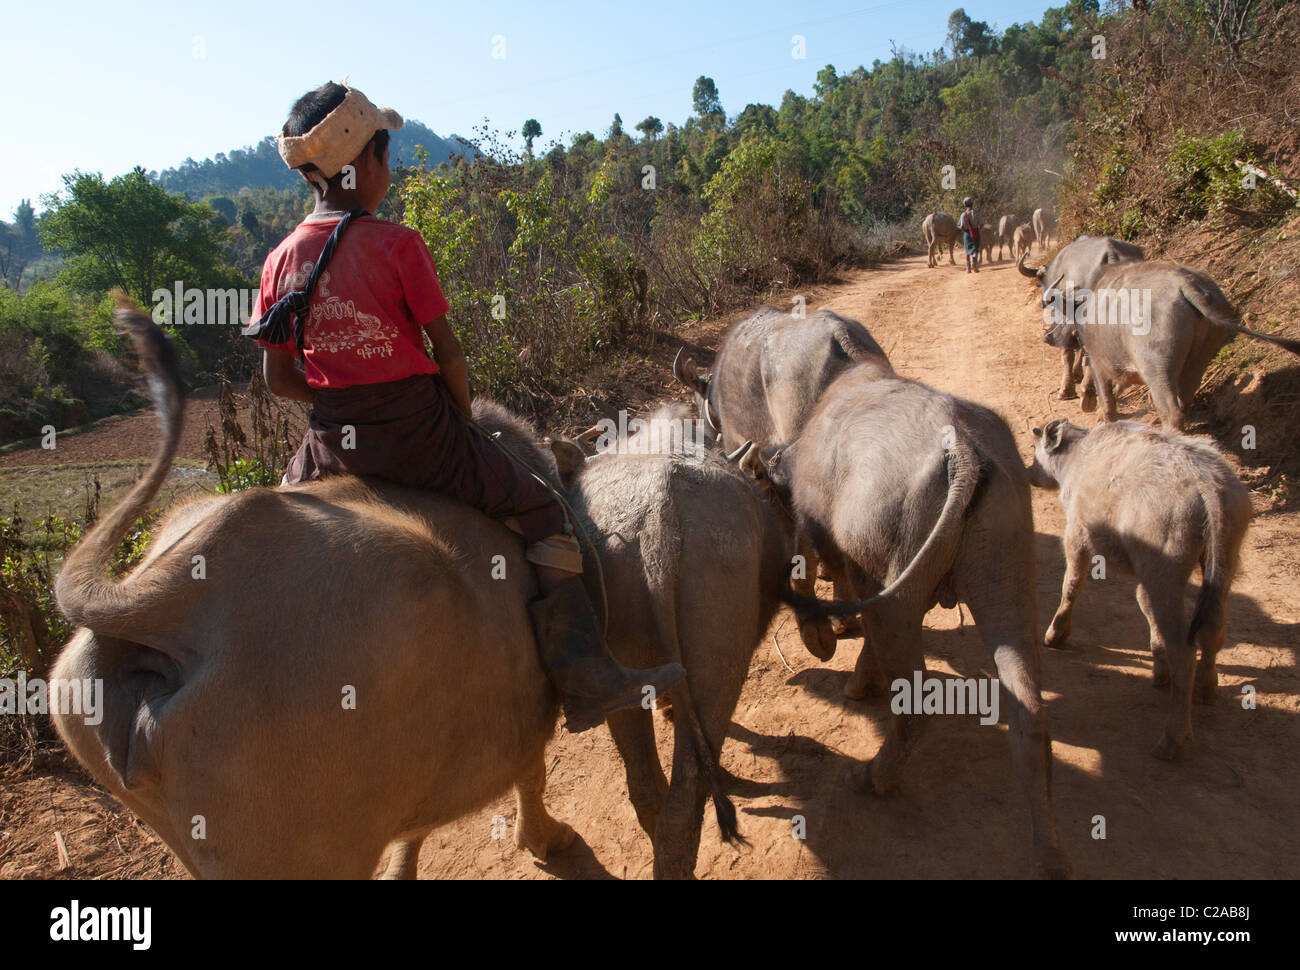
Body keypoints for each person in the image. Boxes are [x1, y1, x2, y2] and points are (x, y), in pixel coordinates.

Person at [244, 81, 685, 732]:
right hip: (422, 435)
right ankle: (587, 676)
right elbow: (448, 353)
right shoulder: (397, 246)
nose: (385, 173)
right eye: (385, 158)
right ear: (367, 163)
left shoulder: (279, 261)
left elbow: (279, 379)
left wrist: (342, 394)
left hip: (332, 441)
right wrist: (458, 416)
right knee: (547, 510)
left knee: (269, 544)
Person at [959, 197, 981, 274]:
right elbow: (981, 224)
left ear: (965, 205)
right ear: (972, 204)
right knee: (975, 249)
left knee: (967, 250)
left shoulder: (963, 215)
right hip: (976, 232)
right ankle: (974, 260)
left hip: (967, 234)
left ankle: (968, 268)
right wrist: (978, 230)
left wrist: (966, 231)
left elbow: (961, 226)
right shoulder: (977, 213)